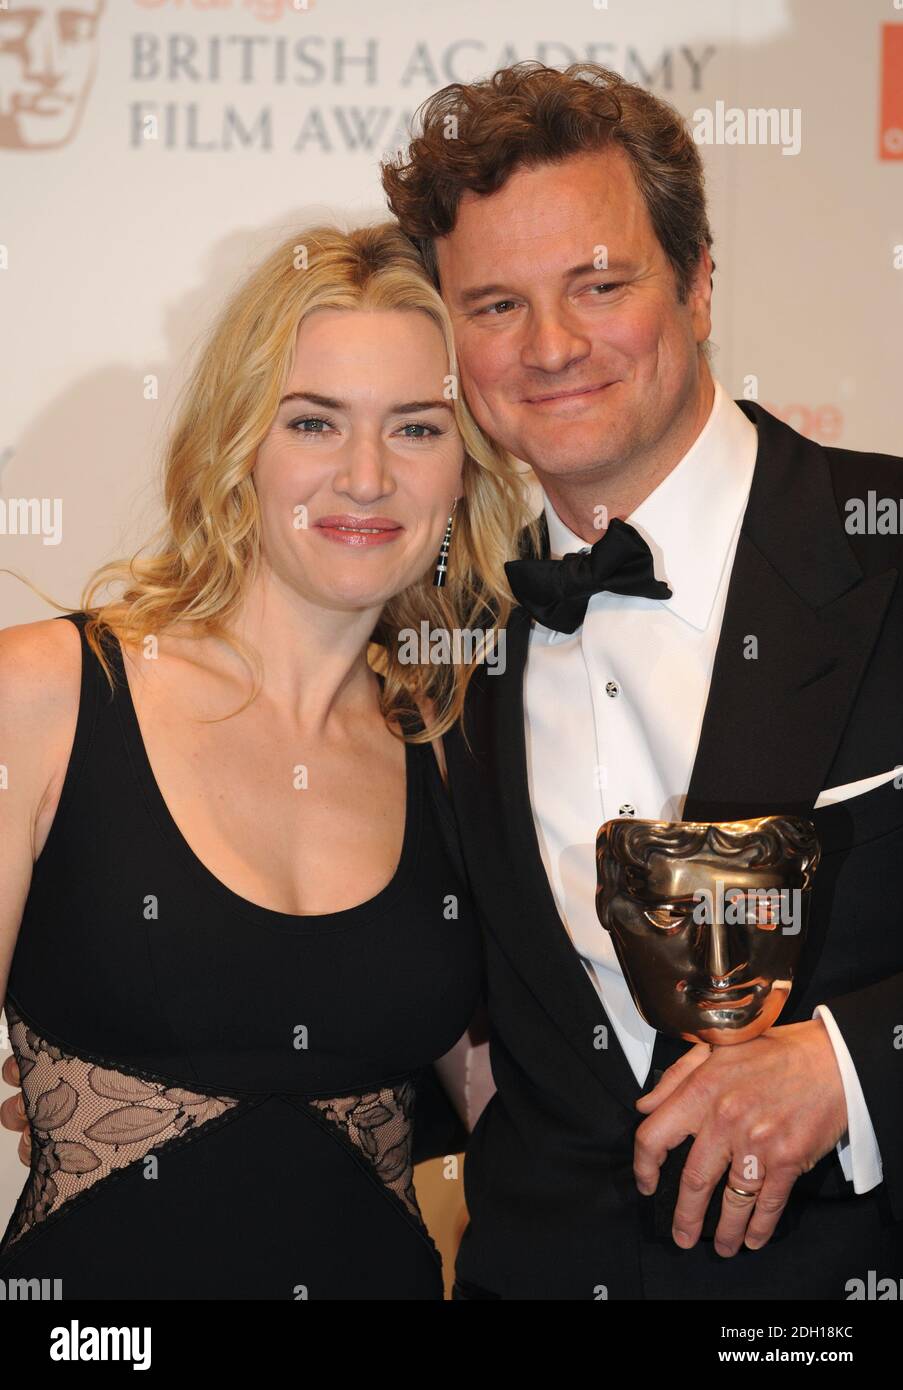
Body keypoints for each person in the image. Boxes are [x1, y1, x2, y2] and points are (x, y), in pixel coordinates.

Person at [378, 61, 903, 1299]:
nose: (552, 347)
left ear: (700, 279)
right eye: (496, 304)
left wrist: (853, 1067)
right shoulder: (435, 639)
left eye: (600, 285)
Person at [0, 220, 530, 1299]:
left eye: (418, 428)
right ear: (239, 441)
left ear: (465, 471)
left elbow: (524, 1115)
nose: (367, 475)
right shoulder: (47, 695)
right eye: (314, 421)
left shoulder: (459, 749)